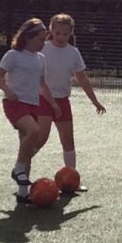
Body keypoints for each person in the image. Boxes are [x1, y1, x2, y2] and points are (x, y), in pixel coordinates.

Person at [0, 17, 56, 203]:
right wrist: (8, 91)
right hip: (14, 103)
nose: (43, 43)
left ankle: (23, 193)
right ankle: (18, 169)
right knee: (34, 131)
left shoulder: (41, 58)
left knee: (26, 146)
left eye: (45, 40)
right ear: (28, 37)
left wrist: (52, 104)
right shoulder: (13, 55)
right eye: (40, 39)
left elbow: (42, 85)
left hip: (32, 104)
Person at [40, 13, 106, 183]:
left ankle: (71, 179)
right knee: (40, 137)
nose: (61, 37)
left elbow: (82, 79)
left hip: (62, 101)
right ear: (51, 30)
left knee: (68, 140)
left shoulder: (73, 52)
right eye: (58, 33)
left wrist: (95, 101)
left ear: (71, 34)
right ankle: (22, 170)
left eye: (65, 34)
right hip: (42, 99)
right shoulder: (42, 49)